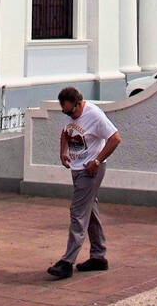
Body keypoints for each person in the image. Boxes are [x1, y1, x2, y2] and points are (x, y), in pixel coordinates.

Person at [46, 86, 121, 280]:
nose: (69, 115)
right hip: (77, 169)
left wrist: (96, 161)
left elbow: (115, 138)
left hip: (91, 170)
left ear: (79, 103)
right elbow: (65, 133)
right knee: (90, 211)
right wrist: (63, 152)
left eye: (71, 111)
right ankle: (98, 255)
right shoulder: (70, 114)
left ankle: (67, 262)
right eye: (65, 112)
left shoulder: (94, 115)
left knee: (78, 212)